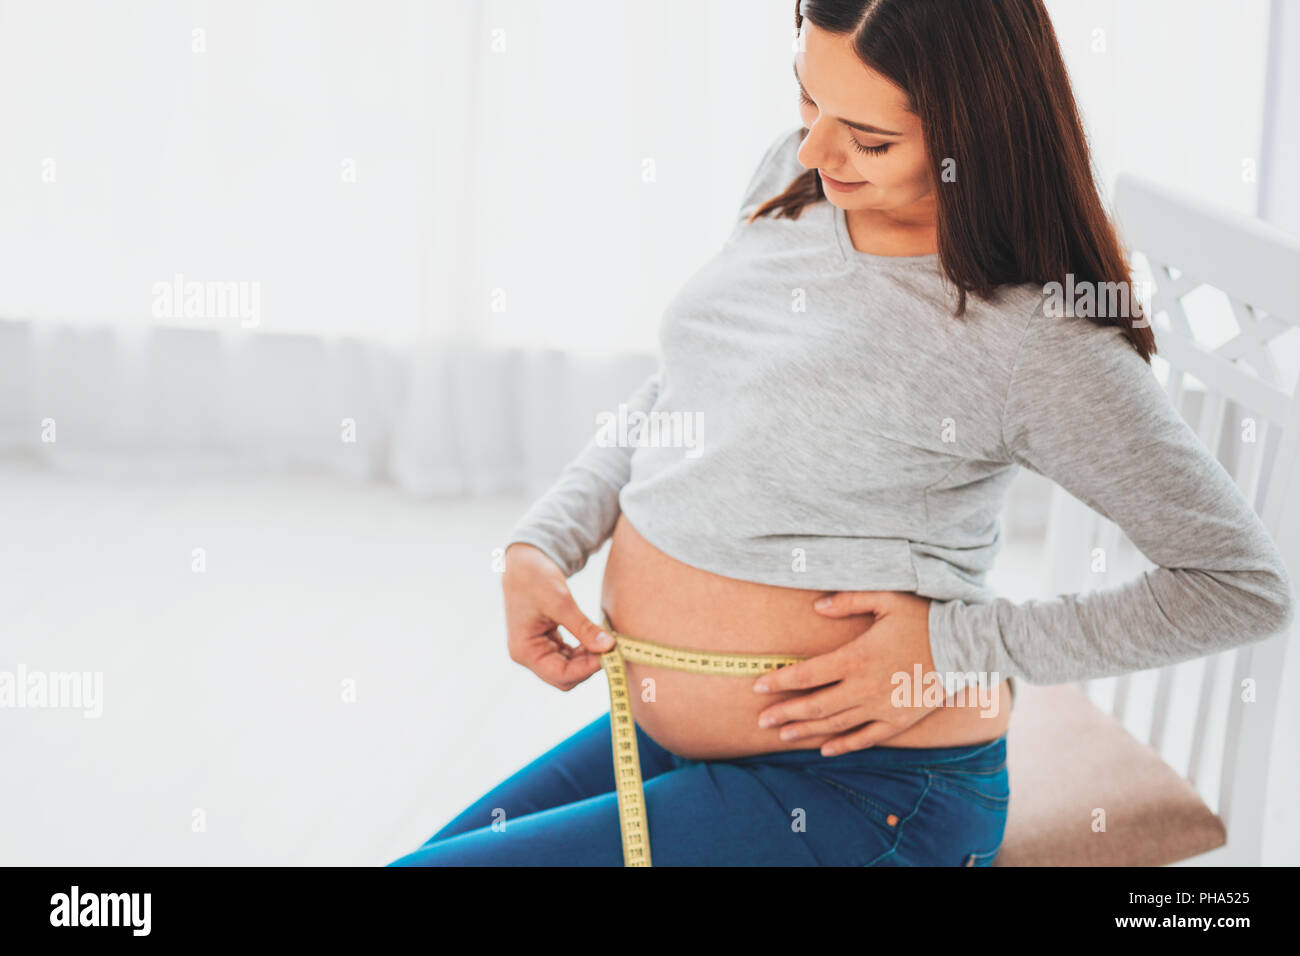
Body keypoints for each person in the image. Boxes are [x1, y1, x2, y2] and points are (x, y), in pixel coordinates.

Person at [389, 0, 1294, 867]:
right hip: (682, 737)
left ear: (974, 134)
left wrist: (957, 647)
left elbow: (1241, 587)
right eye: (807, 97)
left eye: (872, 137)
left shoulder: (1035, 337)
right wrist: (544, 540)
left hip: (870, 790)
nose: (817, 151)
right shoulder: (797, 175)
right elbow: (692, 388)